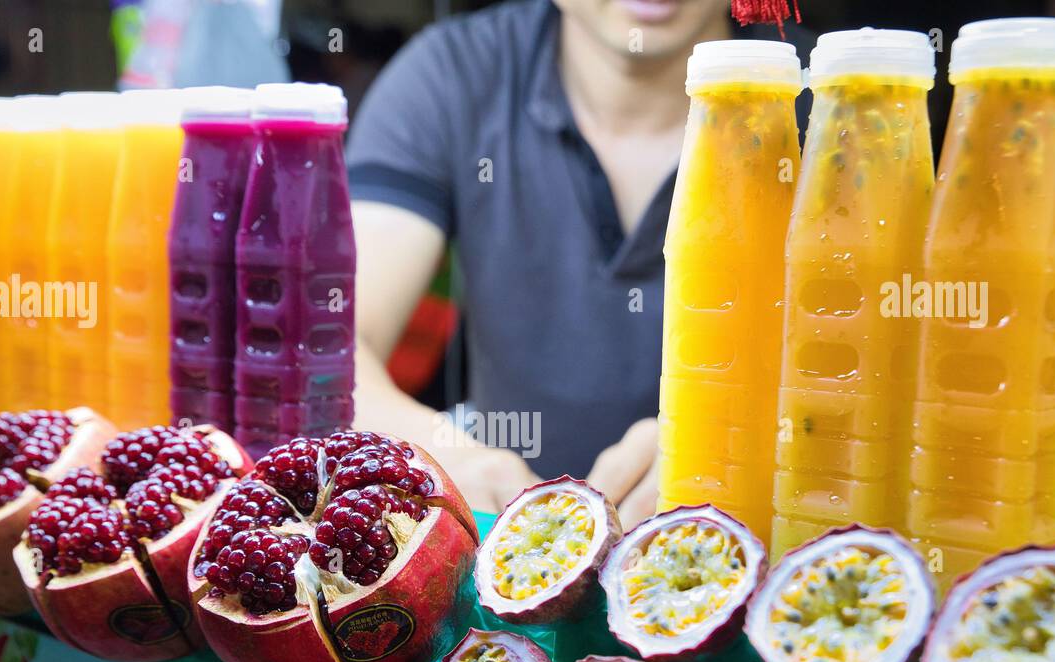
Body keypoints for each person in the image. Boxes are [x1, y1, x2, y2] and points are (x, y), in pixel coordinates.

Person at [347, 0, 810, 523]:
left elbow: (884, 382)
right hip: (501, 540)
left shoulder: (834, 103)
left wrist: (735, 436)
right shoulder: (454, 74)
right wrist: (440, 455)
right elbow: (330, 349)